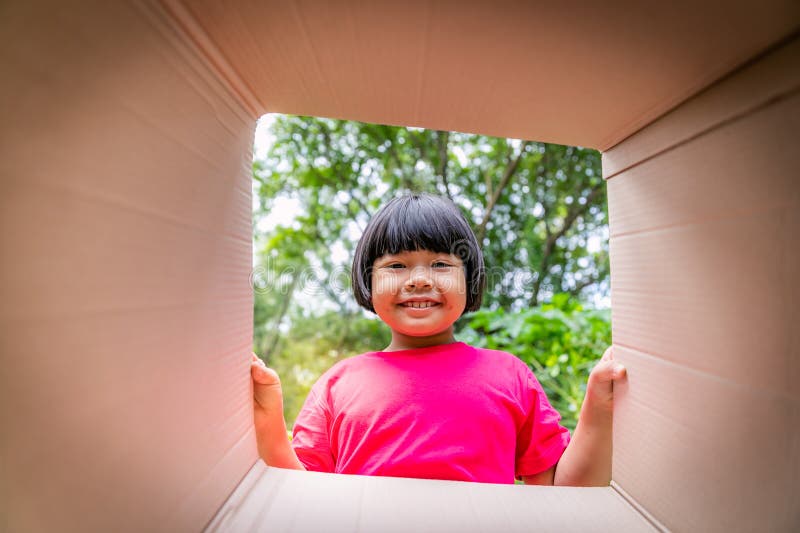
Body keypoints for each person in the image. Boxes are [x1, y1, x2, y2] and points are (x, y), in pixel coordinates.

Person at [250, 193, 626, 485]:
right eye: (396, 265)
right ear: (367, 281)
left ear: (470, 279)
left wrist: (599, 407)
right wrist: (268, 419)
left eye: (441, 264)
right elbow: (298, 492)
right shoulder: (336, 384)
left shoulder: (511, 375)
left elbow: (563, 494)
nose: (418, 279)